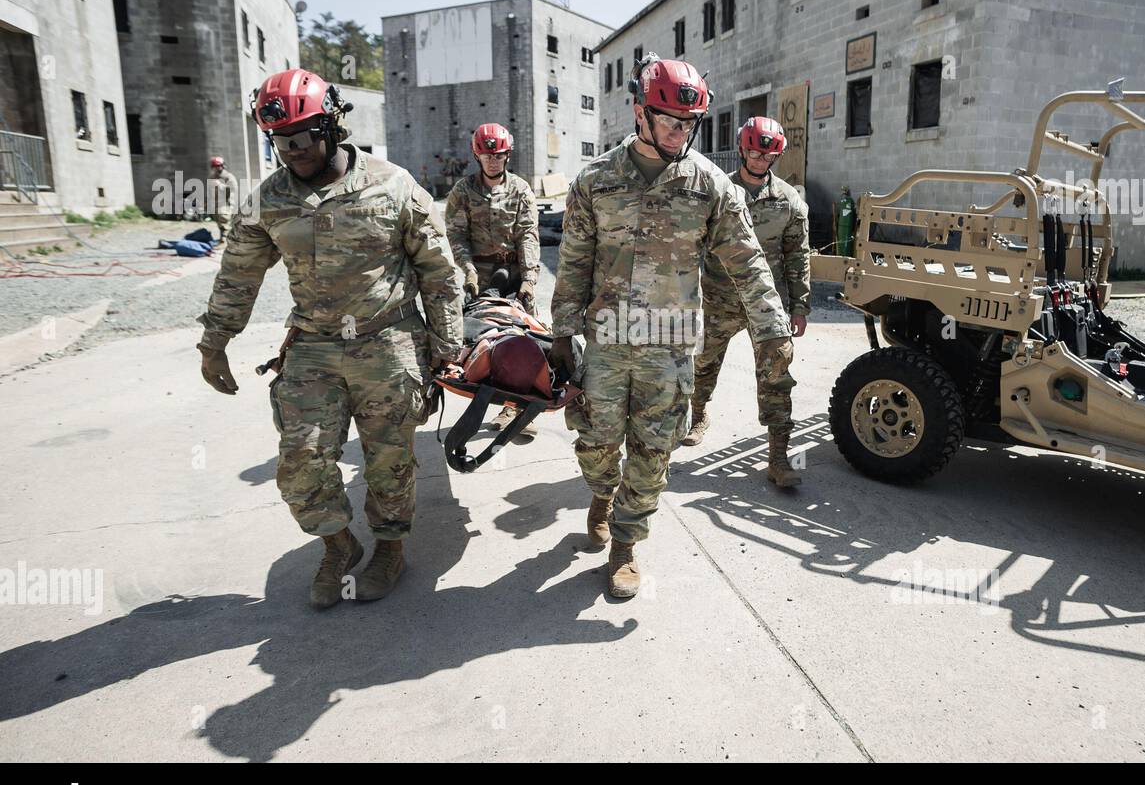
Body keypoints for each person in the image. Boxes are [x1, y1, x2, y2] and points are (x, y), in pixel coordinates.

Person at [195, 68, 462, 608]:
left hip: (388, 343)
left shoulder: (392, 184)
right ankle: (337, 545)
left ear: (332, 125)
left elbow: (439, 269)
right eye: (280, 140)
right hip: (314, 345)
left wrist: (448, 346)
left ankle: (390, 548)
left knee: (389, 460)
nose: (293, 149)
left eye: (303, 136)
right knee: (301, 459)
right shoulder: (268, 200)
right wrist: (215, 341)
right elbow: (239, 273)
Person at [551, 53, 792, 598]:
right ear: (640, 113)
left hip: (671, 345)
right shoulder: (595, 182)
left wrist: (773, 326)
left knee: (654, 448)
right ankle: (600, 496)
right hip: (608, 342)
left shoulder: (710, 186)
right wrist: (562, 335)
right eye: (670, 121)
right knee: (595, 441)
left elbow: (748, 260)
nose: (681, 133)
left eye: (690, 124)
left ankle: (626, 544)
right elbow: (572, 262)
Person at [681, 116, 810, 488]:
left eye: (766, 154)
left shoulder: (789, 201)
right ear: (742, 148)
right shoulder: (719, 191)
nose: (758, 158)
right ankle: (699, 413)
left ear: (776, 156)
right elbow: (694, 245)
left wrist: (800, 306)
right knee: (703, 362)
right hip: (719, 297)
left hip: (766, 303)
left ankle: (778, 457)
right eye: (753, 151)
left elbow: (797, 256)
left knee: (777, 373)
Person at [445, 123, 542, 437]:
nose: (492, 161)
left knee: (525, 338)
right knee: (474, 338)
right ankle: (483, 395)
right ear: (477, 155)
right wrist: (468, 271)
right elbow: (456, 235)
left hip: (514, 274)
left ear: (507, 155)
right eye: (486, 155)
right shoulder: (463, 191)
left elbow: (528, 235)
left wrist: (529, 279)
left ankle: (515, 409)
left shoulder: (520, 190)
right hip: (479, 277)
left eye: (498, 155)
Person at [208, 156, 239, 242]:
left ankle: (225, 241)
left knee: (225, 222)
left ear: (223, 166)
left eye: (218, 166)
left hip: (225, 204)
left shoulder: (228, 177)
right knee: (219, 223)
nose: (216, 168)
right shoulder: (212, 177)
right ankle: (223, 238)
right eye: (214, 166)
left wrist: (220, 186)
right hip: (215, 204)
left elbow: (233, 189)